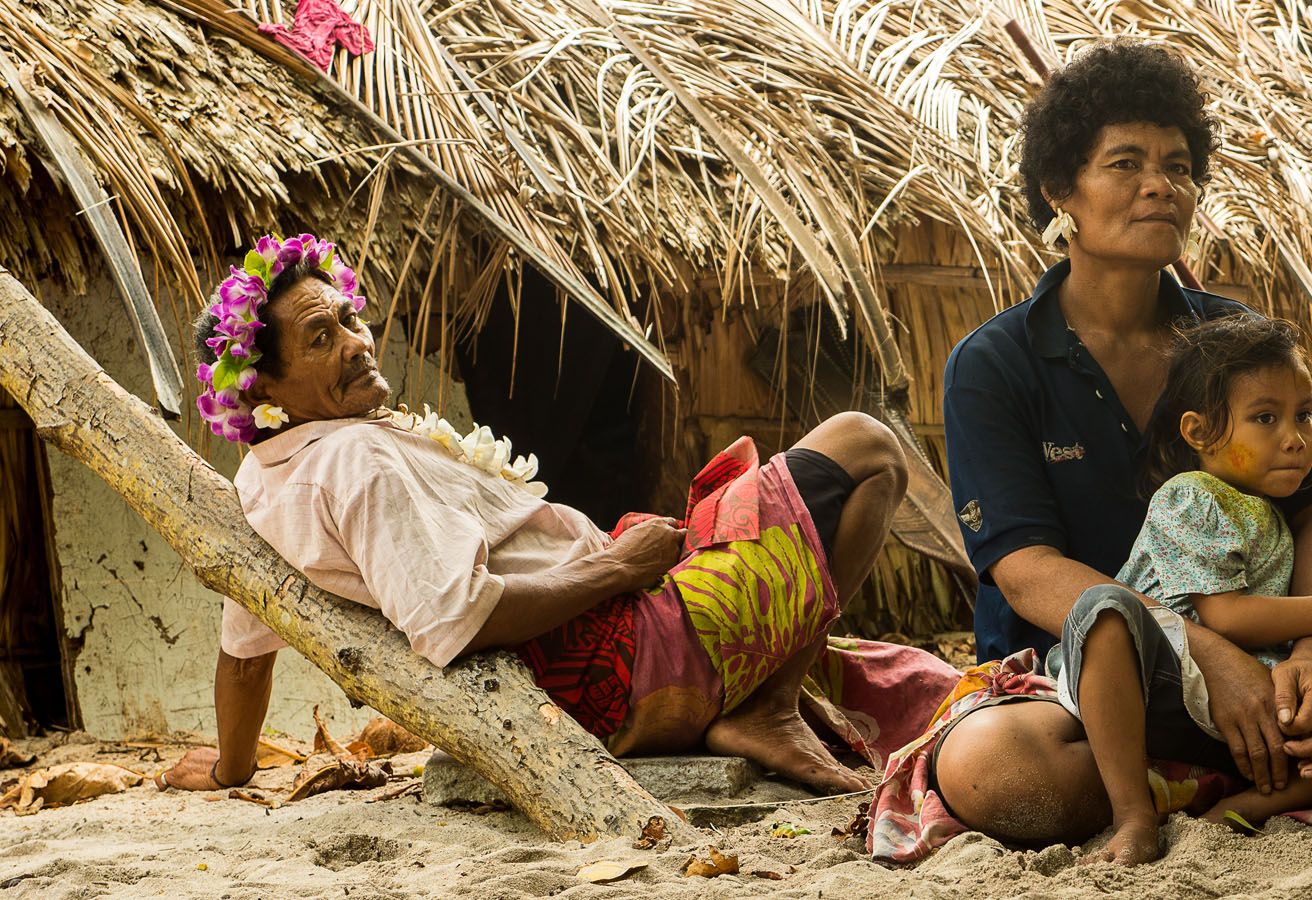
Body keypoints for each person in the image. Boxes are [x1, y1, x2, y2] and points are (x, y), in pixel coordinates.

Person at [867, 40, 1312, 863]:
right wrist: (1200, 648)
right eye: (1126, 163)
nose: (1159, 185)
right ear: (1060, 189)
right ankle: (1220, 778)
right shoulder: (995, 364)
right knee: (998, 775)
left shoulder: (1231, 337)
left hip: (1269, 660)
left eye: (1178, 166)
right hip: (1073, 681)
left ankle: (1216, 773)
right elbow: (1025, 566)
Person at [157, 233, 953, 796]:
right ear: (262, 391)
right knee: (867, 446)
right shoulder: (354, 462)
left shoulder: (265, 484)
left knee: (873, 667)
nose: (357, 344)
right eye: (321, 338)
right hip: (628, 661)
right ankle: (766, 708)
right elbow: (453, 616)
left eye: (351, 319)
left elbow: (244, 650)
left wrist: (233, 767)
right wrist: (618, 567)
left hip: (621, 647)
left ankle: (767, 696)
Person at [1065, 313, 1312, 864]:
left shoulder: (1266, 511)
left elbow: (1277, 633)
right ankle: (1132, 817)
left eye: (1304, 416)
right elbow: (1224, 618)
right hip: (1155, 683)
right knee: (1104, 610)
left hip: (1250, 696)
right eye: (1265, 418)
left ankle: (1250, 806)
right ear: (1198, 432)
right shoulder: (1190, 497)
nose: (1294, 439)